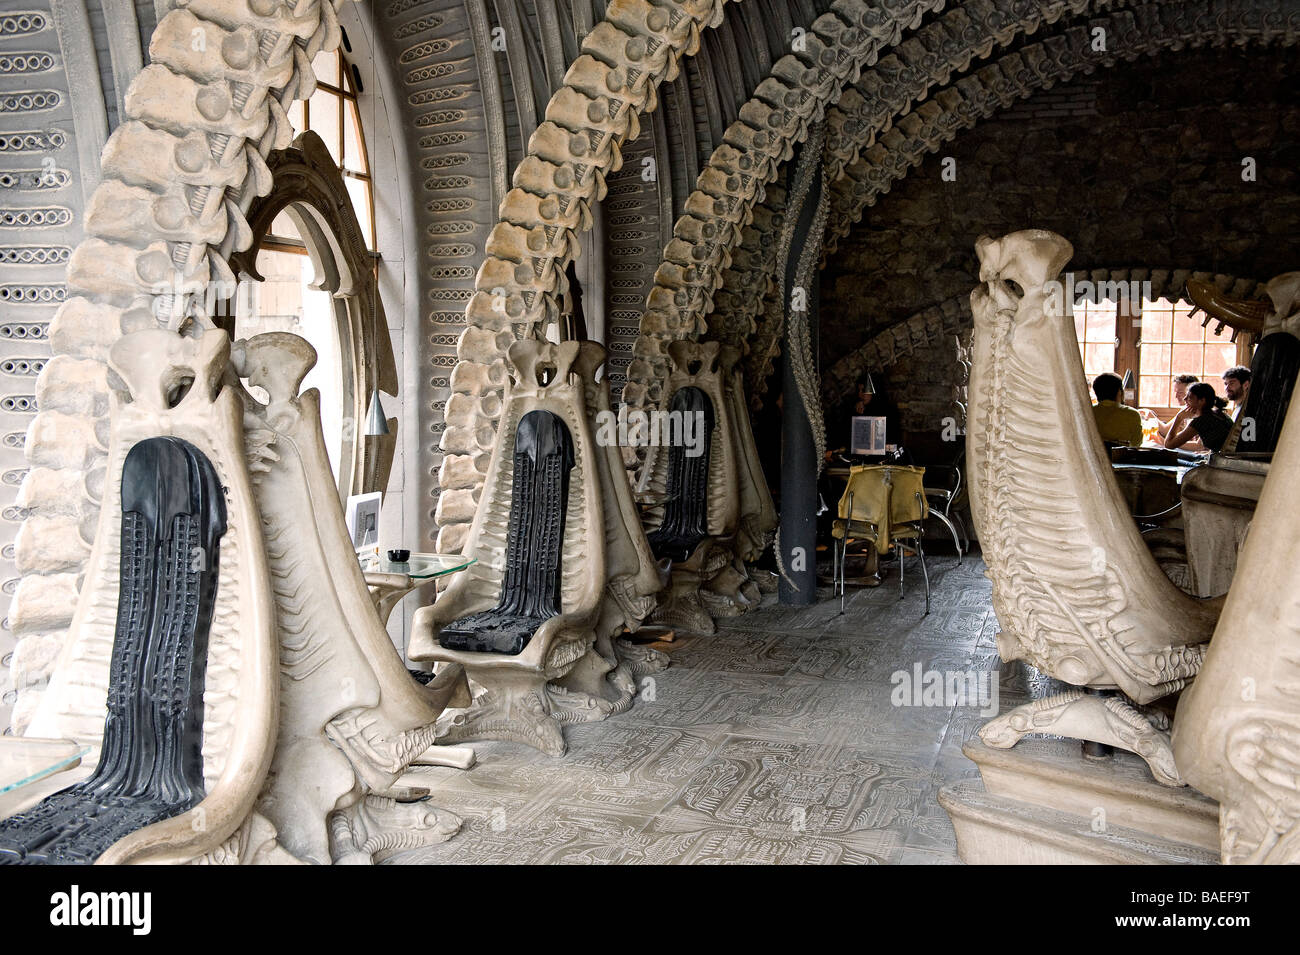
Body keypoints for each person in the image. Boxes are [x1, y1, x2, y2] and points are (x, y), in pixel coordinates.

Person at [1165, 381, 1234, 452]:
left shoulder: (1202, 421)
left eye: (1190, 397)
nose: (1185, 399)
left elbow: (1169, 444)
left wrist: (1179, 418)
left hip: (1220, 461)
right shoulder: (1218, 413)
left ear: (1202, 401)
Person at [1091, 372, 1143, 447]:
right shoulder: (1133, 414)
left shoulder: (1089, 413)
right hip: (1122, 458)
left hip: (1093, 458)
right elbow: (1136, 444)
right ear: (1119, 392)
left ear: (1096, 392)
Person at [1157, 373, 1199, 442]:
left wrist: (1166, 442)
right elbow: (1166, 430)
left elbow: (1198, 446)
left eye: (1180, 392)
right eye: (1176, 392)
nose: (1176, 396)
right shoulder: (1185, 409)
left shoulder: (1199, 412)